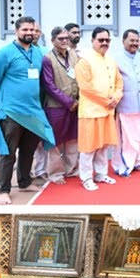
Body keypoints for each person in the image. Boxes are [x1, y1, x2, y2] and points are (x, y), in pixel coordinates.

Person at [0, 16, 53, 205]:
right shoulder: (4, 54)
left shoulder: (38, 53)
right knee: (8, 153)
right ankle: (4, 190)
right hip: (11, 112)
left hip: (33, 111)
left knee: (28, 150)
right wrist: (6, 101)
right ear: (16, 31)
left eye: (32, 30)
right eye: (25, 29)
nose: (29, 33)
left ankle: (24, 182)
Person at [74, 28, 123, 191]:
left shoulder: (110, 60)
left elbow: (119, 82)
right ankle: (87, 178)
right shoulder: (84, 61)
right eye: (101, 40)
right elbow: (85, 87)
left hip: (107, 111)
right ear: (92, 41)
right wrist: (107, 101)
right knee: (88, 148)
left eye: (107, 40)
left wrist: (116, 98)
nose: (104, 43)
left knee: (104, 146)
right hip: (90, 112)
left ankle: (101, 174)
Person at [39, 27, 81, 186]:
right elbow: (49, 86)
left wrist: (78, 100)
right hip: (56, 107)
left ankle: (72, 170)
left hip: (75, 105)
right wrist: (69, 102)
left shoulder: (74, 55)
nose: (64, 41)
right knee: (55, 143)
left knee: (73, 139)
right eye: (60, 38)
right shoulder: (47, 59)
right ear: (52, 41)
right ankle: (56, 174)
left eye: (66, 38)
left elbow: (80, 77)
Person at [111, 29, 140, 177]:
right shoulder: (116, 58)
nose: (134, 43)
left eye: (136, 40)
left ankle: (137, 162)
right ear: (123, 41)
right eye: (131, 40)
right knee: (126, 139)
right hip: (125, 105)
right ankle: (124, 165)